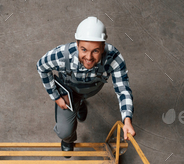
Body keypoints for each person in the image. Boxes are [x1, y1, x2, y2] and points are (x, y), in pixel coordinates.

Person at [36, 16, 136, 156]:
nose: (88, 57)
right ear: (77, 45)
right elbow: (41, 66)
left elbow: (123, 89)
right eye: (83, 49)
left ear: (103, 47)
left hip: (90, 91)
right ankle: (68, 139)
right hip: (68, 93)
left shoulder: (113, 58)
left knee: (81, 100)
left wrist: (127, 119)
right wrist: (56, 96)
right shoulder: (62, 55)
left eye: (95, 51)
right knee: (64, 130)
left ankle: (81, 103)